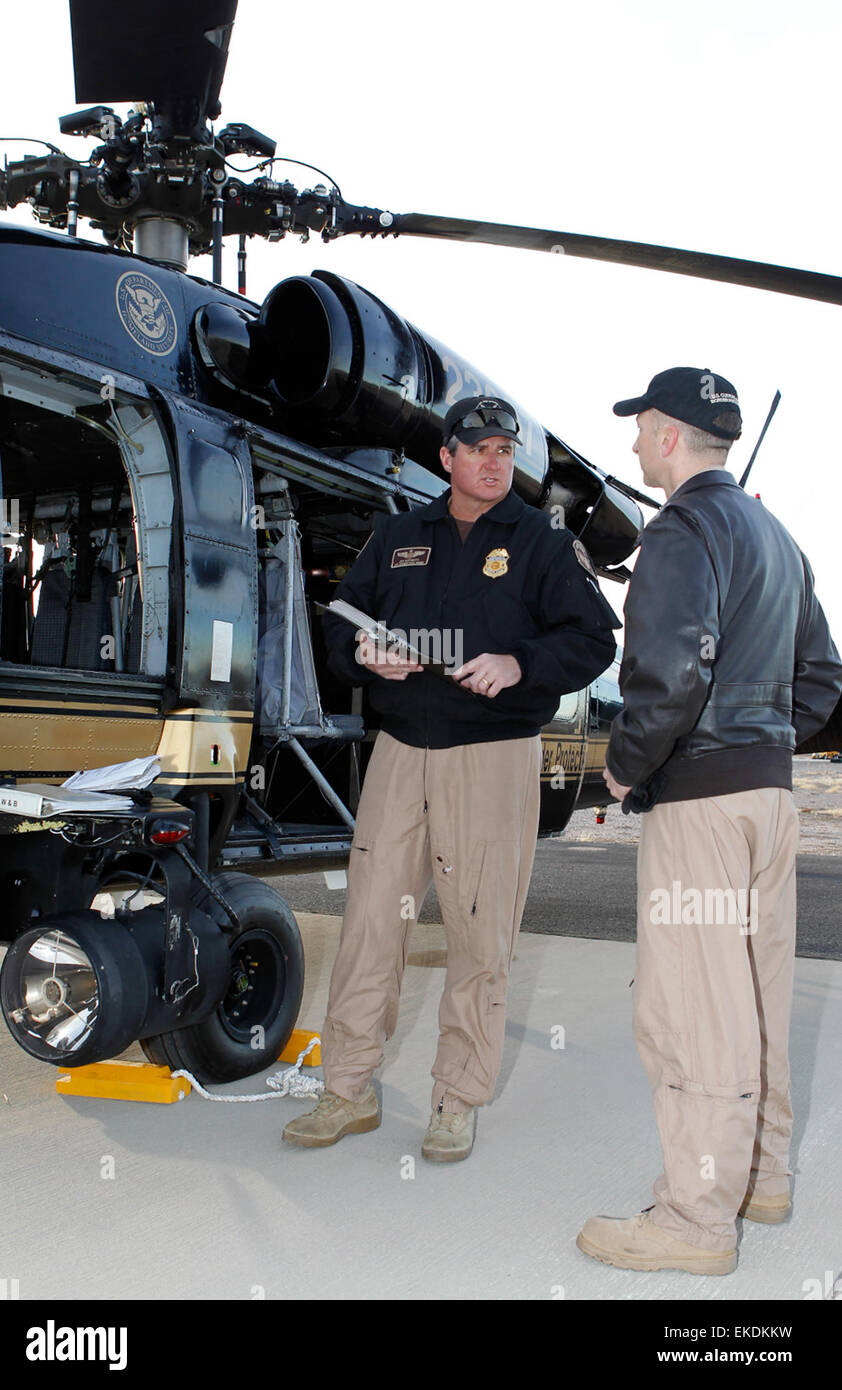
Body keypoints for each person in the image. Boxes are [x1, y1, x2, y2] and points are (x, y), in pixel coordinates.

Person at [282, 394, 620, 1160]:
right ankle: (348, 1089)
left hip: (492, 757)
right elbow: (341, 620)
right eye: (479, 449)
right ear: (448, 458)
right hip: (401, 750)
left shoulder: (537, 541)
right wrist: (361, 655)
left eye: (505, 450)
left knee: (478, 931)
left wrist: (522, 663)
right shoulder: (400, 534)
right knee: (370, 921)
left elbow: (594, 637)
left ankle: (456, 1098)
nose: (495, 462)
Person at [577, 367, 842, 1273]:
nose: (633, 443)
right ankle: (762, 1179)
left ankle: (695, 1220)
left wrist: (622, 767)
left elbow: (674, 674)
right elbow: (823, 682)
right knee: (759, 998)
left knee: (694, 1012)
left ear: (666, 433)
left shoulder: (680, 531)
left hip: (701, 808)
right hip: (769, 804)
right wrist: (760, 744)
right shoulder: (778, 536)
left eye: (640, 426)